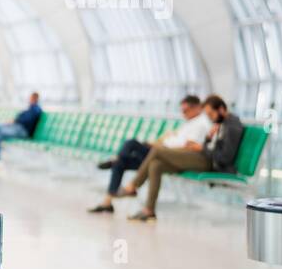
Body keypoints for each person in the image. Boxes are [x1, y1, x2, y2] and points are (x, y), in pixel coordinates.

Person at [113, 94, 244, 222]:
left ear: (221, 109)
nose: (210, 118)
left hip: (212, 164)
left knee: (157, 150)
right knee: (156, 165)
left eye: (211, 114)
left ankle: (133, 185)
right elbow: (215, 147)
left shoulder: (231, 127)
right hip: (204, 157)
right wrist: (208, 139)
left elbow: (225, 158)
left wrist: (201, 148)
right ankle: (149, 211)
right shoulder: (222, 123)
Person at [88, 95, 210, 213]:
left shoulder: (200, 124)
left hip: (167, 154)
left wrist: (160, 146)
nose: (183, 114)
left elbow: (188, 146)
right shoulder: (188, 123)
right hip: (160, 153)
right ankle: (108, 202)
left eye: (186, 110)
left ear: (197, 107)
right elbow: (175, 140)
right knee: (120, 163)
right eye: (182, 111)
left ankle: (132, 185)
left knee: (132, 143)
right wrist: (160, 141)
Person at [0, 92, 41, 168]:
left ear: (35, 98)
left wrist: (15, 121)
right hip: (17, 129)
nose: (29, 99)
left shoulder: (36, 109)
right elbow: (22, 116)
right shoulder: (30, 108)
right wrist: (15, 120)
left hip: (23, 131)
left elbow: (27, 119)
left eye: (31, 98)